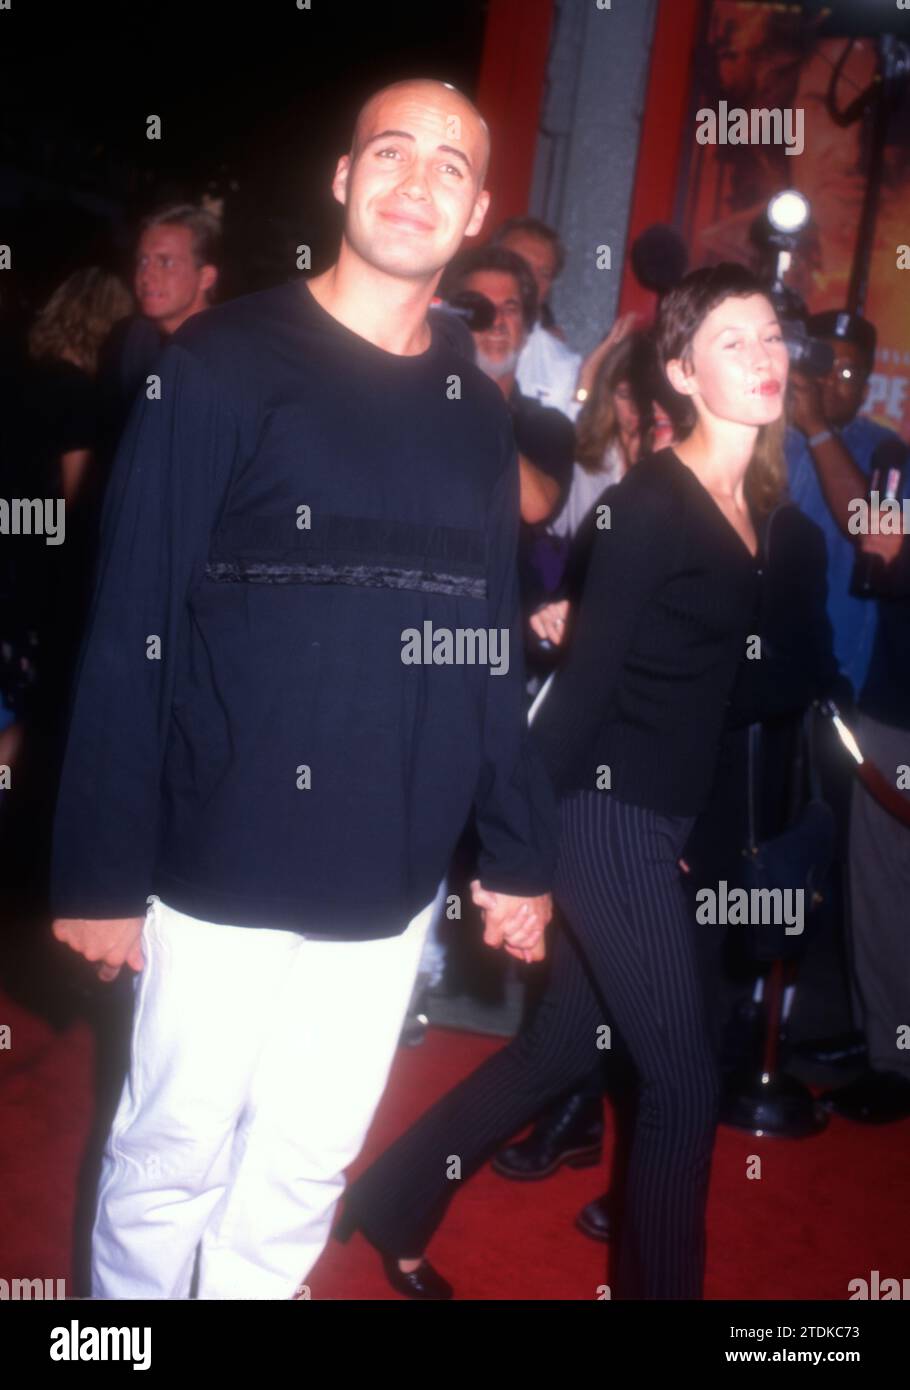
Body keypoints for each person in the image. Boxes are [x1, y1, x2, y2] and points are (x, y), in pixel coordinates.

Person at [48, 77, 557, 1301]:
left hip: (385, 885)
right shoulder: (222, 361)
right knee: (170, 1155)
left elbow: (480, 636)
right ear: (343, 180)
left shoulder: (469, 411)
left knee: (299, 1171)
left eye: (450, 166)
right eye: (392, 151)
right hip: (215, 860)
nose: (416, 179)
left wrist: (519, 849)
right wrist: (100, 869)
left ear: (474, 209)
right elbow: (132, 623)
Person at [336, 262, 789, 1299]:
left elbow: (687, 687)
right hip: (598, 814)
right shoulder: (652, 506)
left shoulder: (745, 501)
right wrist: (515, 862)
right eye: (732, 341)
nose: (763, 357)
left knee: (561, 1046)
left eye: (771, 336)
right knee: (680, 1080)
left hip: (647, 816)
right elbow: (577, 704)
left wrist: (688, 827)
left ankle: (397, 1196)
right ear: (679, 369)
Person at [439, 243, 575, 620]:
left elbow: (536, 506)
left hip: (493, 631)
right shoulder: (420, 402)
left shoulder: (547, 426)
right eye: (480, 308)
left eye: (510, 309)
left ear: (528, 329)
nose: (496, 321)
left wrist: (474, 399)